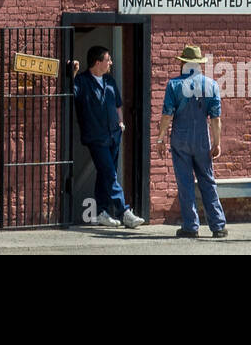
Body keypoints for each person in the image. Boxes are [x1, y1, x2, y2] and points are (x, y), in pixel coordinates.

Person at [157, 44, 228, 238]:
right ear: (199, 64)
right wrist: (217, 142)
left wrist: (160, 138)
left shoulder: (174, 85)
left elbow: (167, 115)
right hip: (202, 139)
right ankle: (218, 225)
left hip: (180, 138)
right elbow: (215, 118)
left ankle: (191, 226)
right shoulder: (211, 85)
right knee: (208, 180)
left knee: (185, 182)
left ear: (183, 63)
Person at [70, 46, 145, 228]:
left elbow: (118, 104)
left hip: (114, 135)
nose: (110, 62)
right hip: (96, 137)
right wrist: (72, 73)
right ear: (98, 62)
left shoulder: (110, 81)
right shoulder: (82, 81)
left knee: (105, 174)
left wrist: (121, 123)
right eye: (108, 59)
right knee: (110, 174)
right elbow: (70, 93)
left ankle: (101, 212)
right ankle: (124, 211)